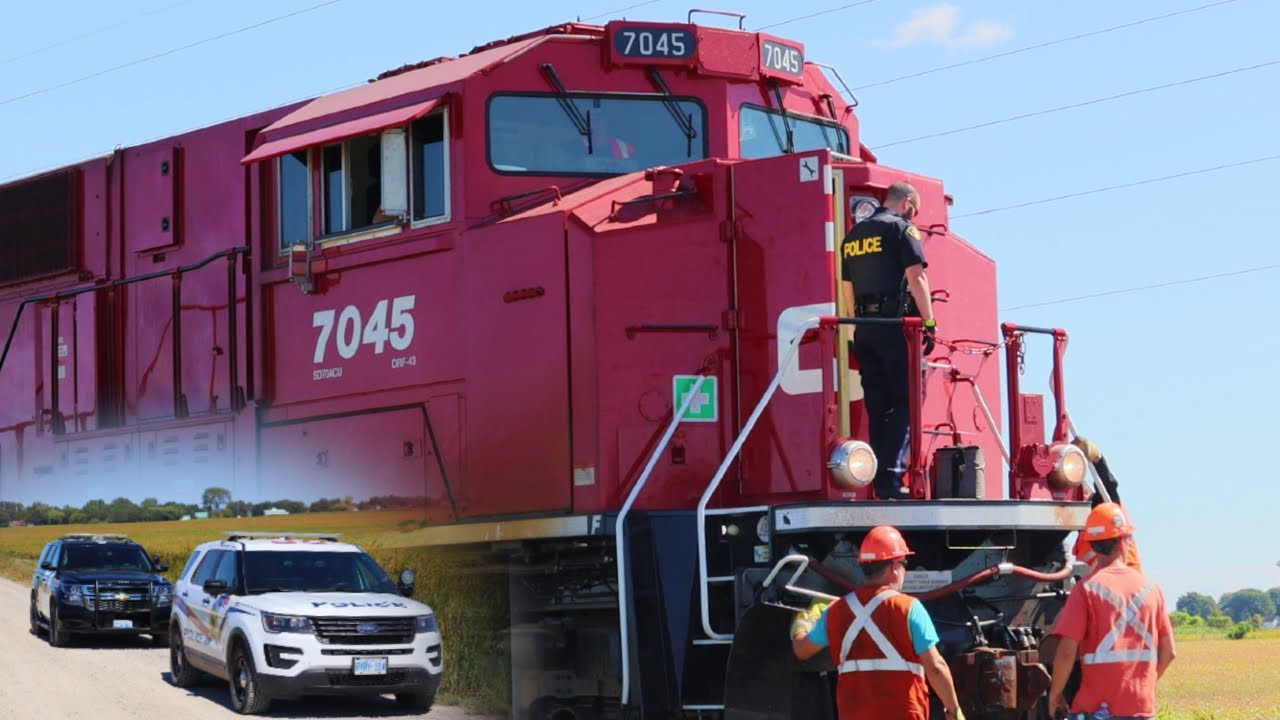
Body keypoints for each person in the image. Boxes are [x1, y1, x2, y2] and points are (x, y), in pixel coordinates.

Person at [792, 526, 965, 720]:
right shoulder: (909, 609)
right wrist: (954, 711)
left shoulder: (835, 612)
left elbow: (802, 650)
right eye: (904, 563)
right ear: (894, 566)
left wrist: (802, 621)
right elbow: (936, 667)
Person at [840, 181, 935, 500]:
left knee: (878, 406)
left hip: (864, 327)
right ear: (907, 203)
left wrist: (857, 326)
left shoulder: (852, 236)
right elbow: (916, 277)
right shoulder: (902, 230)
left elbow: (847, 290)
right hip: (894, 328)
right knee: (908, 400)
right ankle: (892, 476)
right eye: (915, 211)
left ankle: (880, 478)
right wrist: (930, 321)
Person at [1048, 503, 1176, 720]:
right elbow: (1169, 652)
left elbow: (1067, 651)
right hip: (1140, 709)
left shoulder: (1085, 590)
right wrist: (1143, 687)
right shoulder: (1152, 590)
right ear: (1124, 541)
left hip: (1095, 708)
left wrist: (1055, 695)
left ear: (1092, 545)